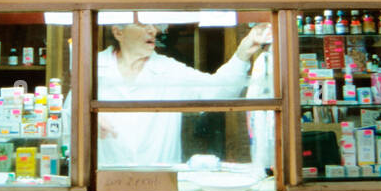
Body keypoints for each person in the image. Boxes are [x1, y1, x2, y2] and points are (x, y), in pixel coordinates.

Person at [94, 20, 272, 166]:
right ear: (118, 33)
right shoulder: (94, 67)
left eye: (153, 24)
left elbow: (216, 92)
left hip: (161, 183)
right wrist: (89, 117)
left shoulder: (168, 69)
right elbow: (72, 117)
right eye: (142, 24)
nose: (152, 30)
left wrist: (242, 53)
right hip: (107, 181)